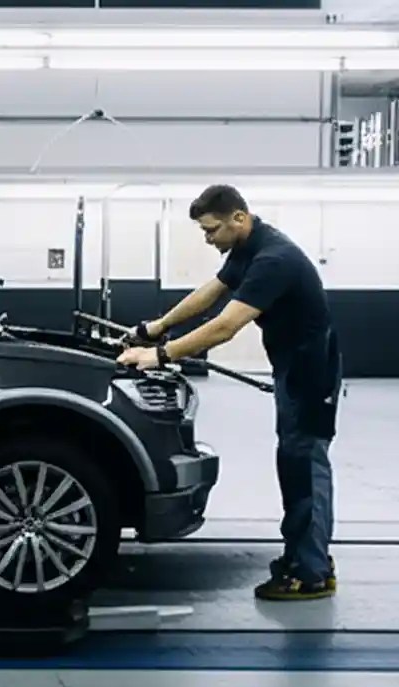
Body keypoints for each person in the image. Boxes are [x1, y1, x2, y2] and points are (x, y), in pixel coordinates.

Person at [117, 184, 342, 601]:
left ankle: (310, 572)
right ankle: (310, 558)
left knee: (304, 467)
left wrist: (160, 354)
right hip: (294, 367)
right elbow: (211, 293)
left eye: (212, 230)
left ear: (239, 218)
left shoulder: (274, 259)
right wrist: (156, 326)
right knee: (293, 463)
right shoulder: (248, 248)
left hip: (310, 374)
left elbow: (225, 325)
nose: (208, 239)